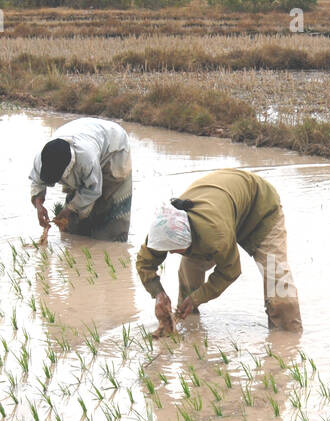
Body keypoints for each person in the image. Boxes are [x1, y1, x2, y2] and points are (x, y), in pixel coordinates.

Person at [136, 168, 301, 336]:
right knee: (189, 270)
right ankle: (187, 326)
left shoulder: (214, 236)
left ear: (188, 239)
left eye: (173, 249)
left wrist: (196, 298)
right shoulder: (165, 225)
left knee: (276, 277)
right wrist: (158, 293)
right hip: (224, 205)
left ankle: (288, 338)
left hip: (260, 208)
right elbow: (144, 262)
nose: (170, 253)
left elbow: (230, 271)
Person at [29, 117, 132, 241]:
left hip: (114, 147)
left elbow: (94, 190)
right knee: (74, 227)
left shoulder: (87, 159)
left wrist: (68, 209)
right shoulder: (42, 158)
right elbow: (37, 182)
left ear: (67, 169)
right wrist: (39, 206)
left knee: (111, 211)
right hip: (86, 133)